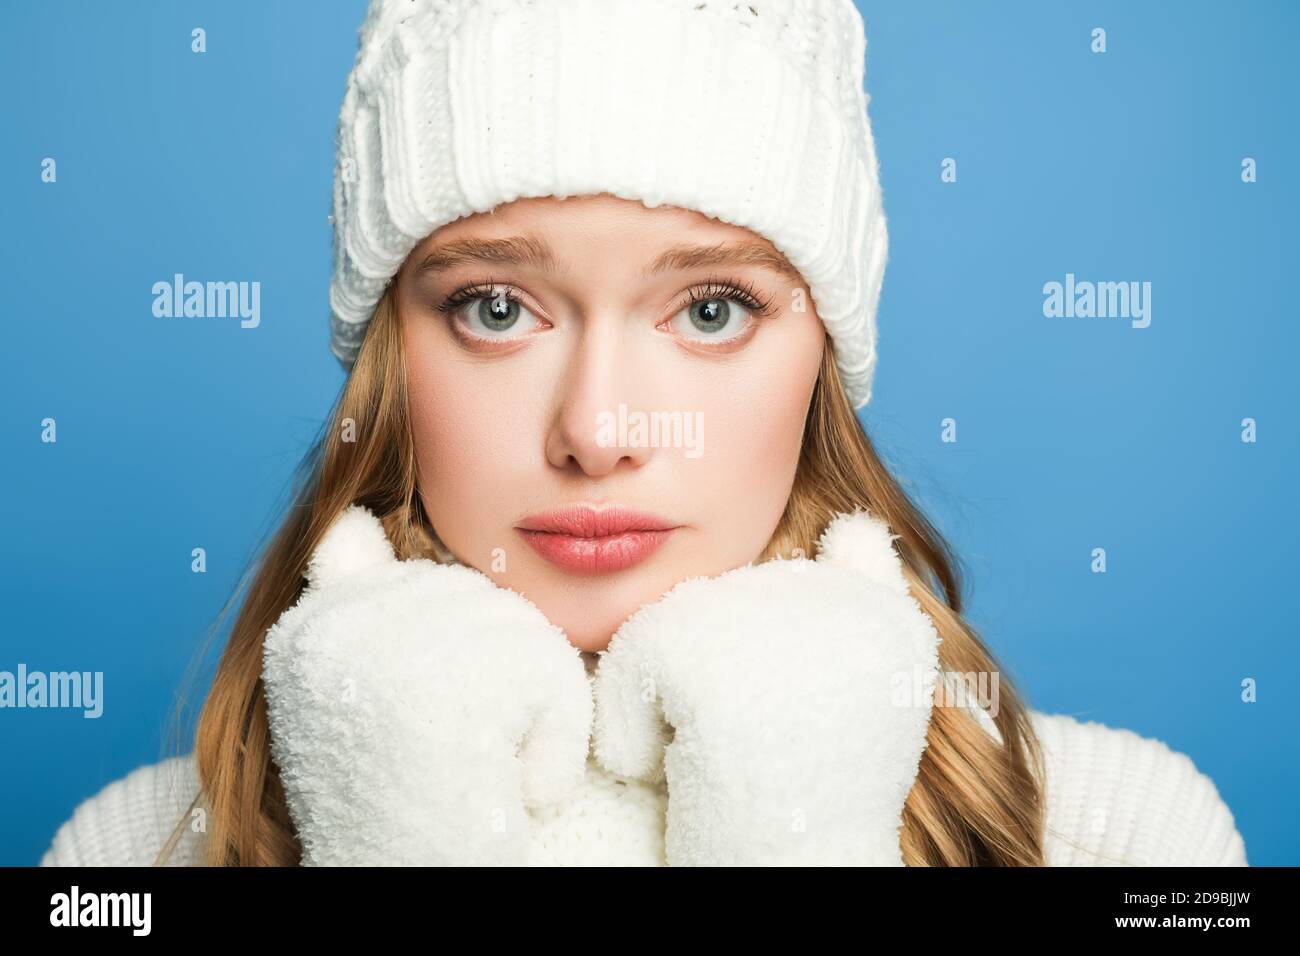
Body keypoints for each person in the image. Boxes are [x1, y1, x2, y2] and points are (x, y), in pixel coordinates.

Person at [41, 0, 1246, 867]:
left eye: (710, 310)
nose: (599, 429)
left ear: (821, 355)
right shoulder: (130, 857)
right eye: (496, 308)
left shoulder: (1118, 836)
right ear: (392, 355)